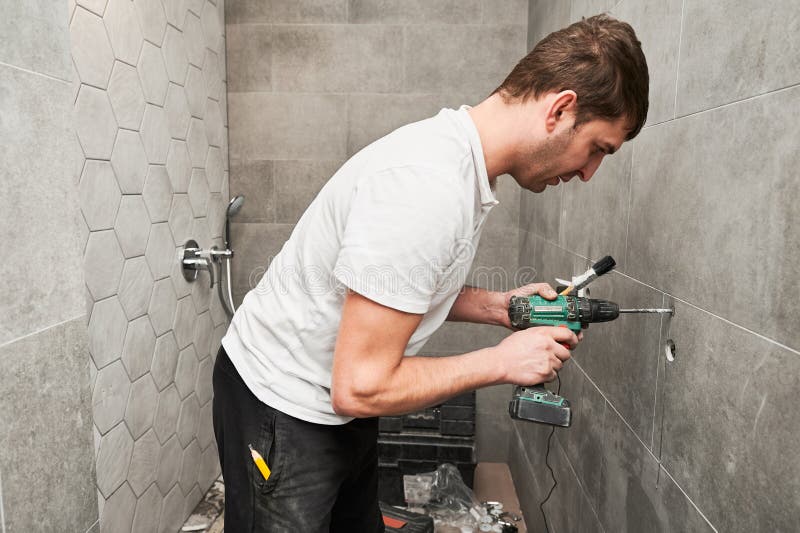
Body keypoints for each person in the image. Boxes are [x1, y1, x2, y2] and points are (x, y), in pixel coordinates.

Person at [213, 13, 649, 533]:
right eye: (598, 148)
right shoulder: (428, 187)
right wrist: (502, 362)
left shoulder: (461, 166)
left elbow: (402, 284)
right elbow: (361, 386)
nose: (588, 172)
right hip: (281, 404)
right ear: (561, 108)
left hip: (334, 408)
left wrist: (500, 307)